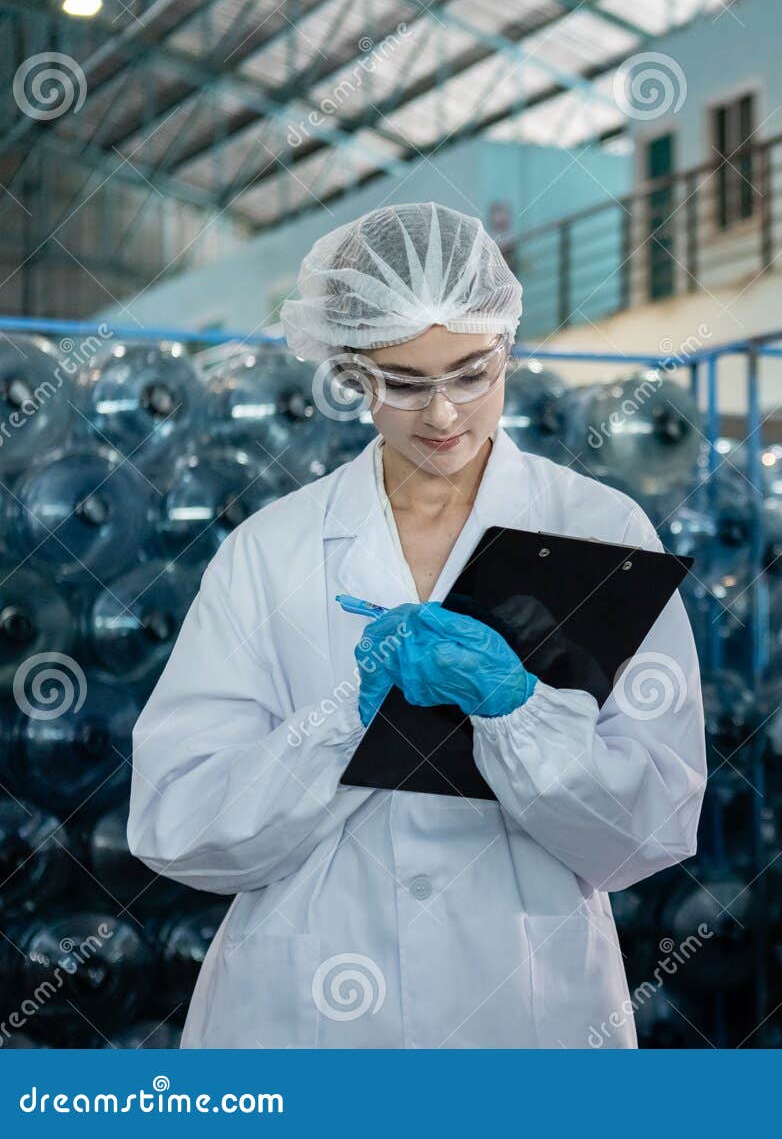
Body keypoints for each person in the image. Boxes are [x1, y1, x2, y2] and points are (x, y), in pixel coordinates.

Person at [129, 202, 705, 1048]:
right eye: (405, 383)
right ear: (352, 374)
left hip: (527, 1004)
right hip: (304, 1013)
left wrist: (520, 712)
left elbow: (651, 830)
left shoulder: (600, 531)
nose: (443, 415)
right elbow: (179, 826)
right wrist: (340, 727)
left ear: (508, 346)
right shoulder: (270, 551)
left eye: (473, 373)